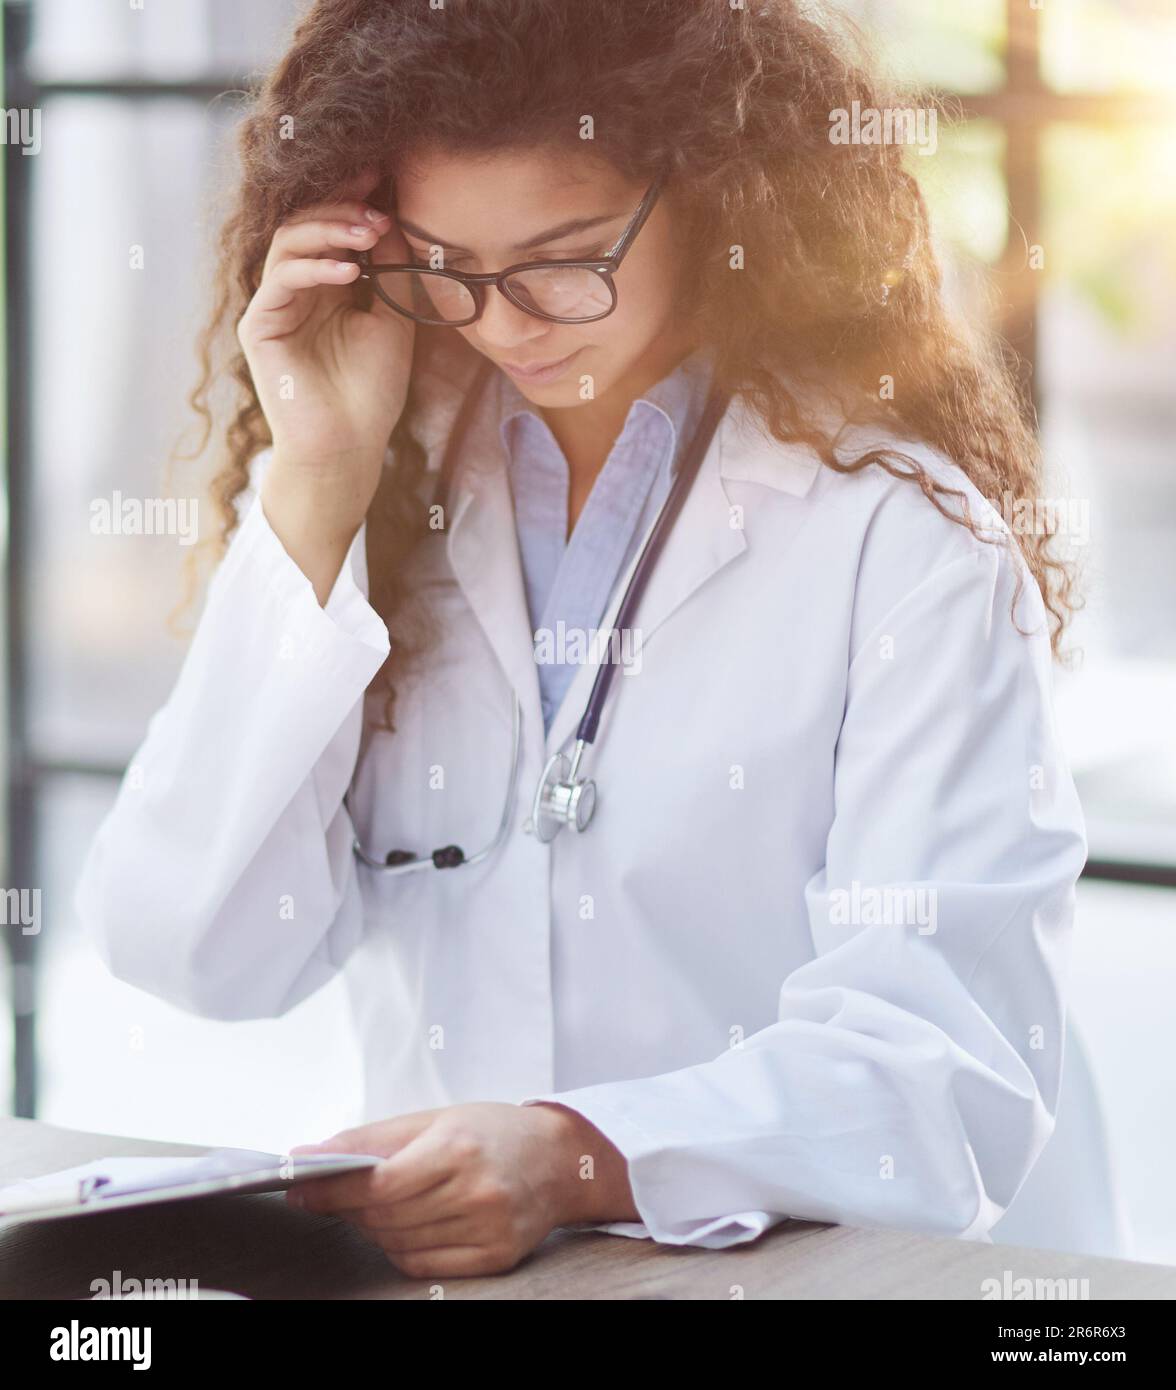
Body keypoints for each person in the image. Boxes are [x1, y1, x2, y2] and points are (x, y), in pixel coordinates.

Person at [76, 0, 1086, 1278]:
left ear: (715, 198)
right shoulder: (387, 489)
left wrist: (573, 1154)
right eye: (445, 265)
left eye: (564, 258)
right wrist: (316, 478)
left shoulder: (901, 540)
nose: (504, 324)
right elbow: (188, 945)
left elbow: (943, 1076)